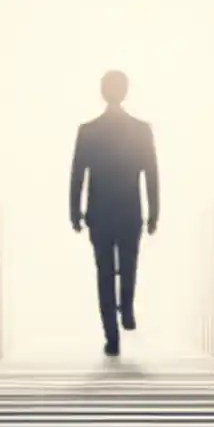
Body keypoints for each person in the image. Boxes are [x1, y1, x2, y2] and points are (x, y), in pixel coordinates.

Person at [69, 70, 160, 356]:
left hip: (100, 211)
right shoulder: (141, 129)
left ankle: (112, 333)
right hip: (130, 209)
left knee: (104, 272)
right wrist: (153, 211)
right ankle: (126, 309)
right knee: (129, 263)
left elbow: (77, 175)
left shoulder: (89, 130)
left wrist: (75, 210)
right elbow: (151, 173)